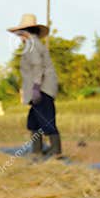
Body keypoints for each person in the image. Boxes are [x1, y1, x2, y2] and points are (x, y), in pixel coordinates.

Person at [8, 13, 61, 158]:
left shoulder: (32, 45)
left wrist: (36, 88)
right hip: (40, 87)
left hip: (42, 88)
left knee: (45, 118)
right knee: (34, 120)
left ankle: (56, 151)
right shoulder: (33, 44)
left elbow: (38, 67)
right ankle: (37, 150)